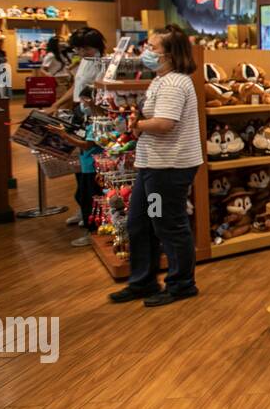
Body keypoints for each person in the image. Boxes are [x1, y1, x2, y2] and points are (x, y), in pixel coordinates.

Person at [111, 25, 203, 307]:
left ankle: (181, 284)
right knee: (141, 223)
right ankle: (143, 280)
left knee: (168, 225)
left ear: (171, 54)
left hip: (169, 166)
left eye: (153, 49)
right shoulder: (160, 80)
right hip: (153, 164)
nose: (146, 53)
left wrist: (138, 124)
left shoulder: (175, 82)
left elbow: (164, 123)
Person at [49, 28, 109, 242]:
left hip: (94, 121)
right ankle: (85, 212)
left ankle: (93, 221)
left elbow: (97, 97)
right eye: (79, 48)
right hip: (81, 117)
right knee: (82, 174)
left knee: (92, 178)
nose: (82, 52)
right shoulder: (85, 62)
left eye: (86, 48)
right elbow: (77, 87)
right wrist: (56, 105)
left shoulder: (103, 64)